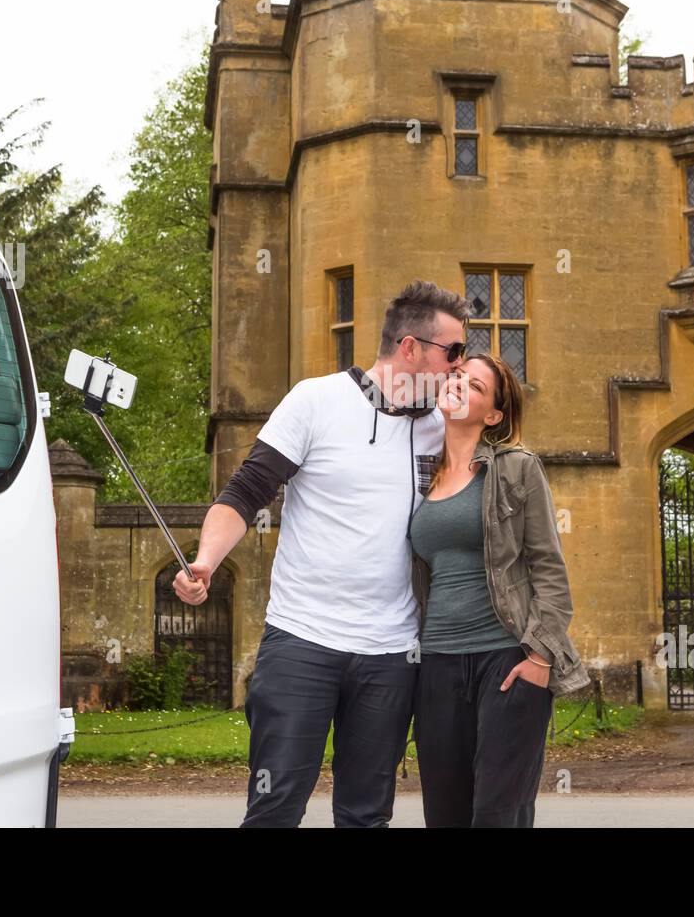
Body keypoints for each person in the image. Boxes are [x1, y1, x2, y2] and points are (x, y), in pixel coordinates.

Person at [172, 280, 470, 827]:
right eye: (453, 352)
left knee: (365, 815)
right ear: (410, 348)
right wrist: (206, 561)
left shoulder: (440, 428)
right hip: (303, 640)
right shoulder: (316, 400)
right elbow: (244, 492)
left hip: (392, 653)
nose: (460, 365)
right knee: (275, 805)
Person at [409, 352, 590, 827]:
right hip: (437, 666)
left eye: (474, 385)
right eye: (456, 376)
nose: (458, 384)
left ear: (492, 415)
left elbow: (549, 569)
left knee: (496, 813)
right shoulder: (417, 474)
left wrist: (540, 658)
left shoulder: (516, 468)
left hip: (507, 659)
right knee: (445, 814)